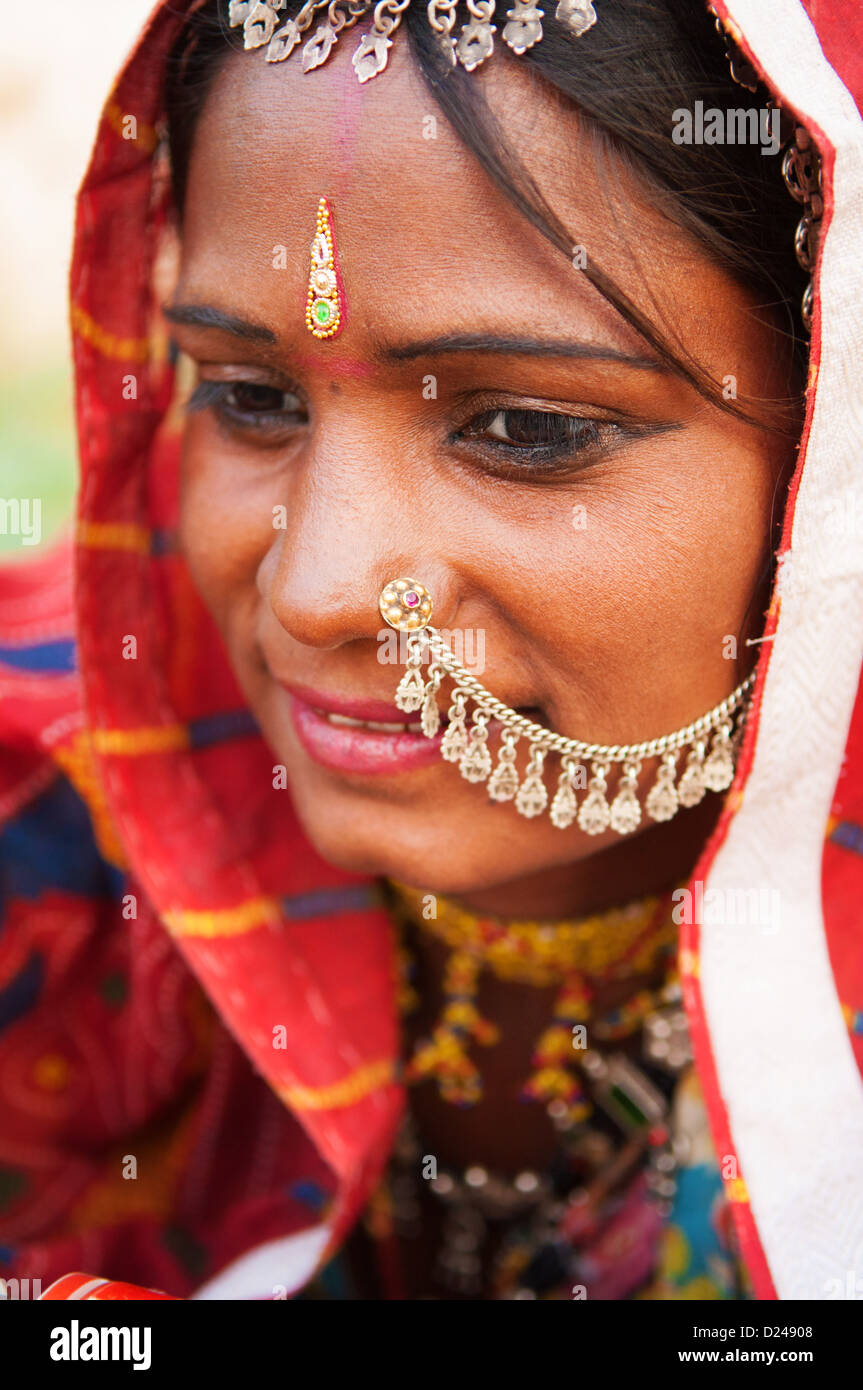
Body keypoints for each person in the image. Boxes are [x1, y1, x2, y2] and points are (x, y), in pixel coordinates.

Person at [1, 0, 862, 1302]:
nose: (316, 590)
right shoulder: (45, 830)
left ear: (833, 447)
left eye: (520, 425)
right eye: (248, 398)